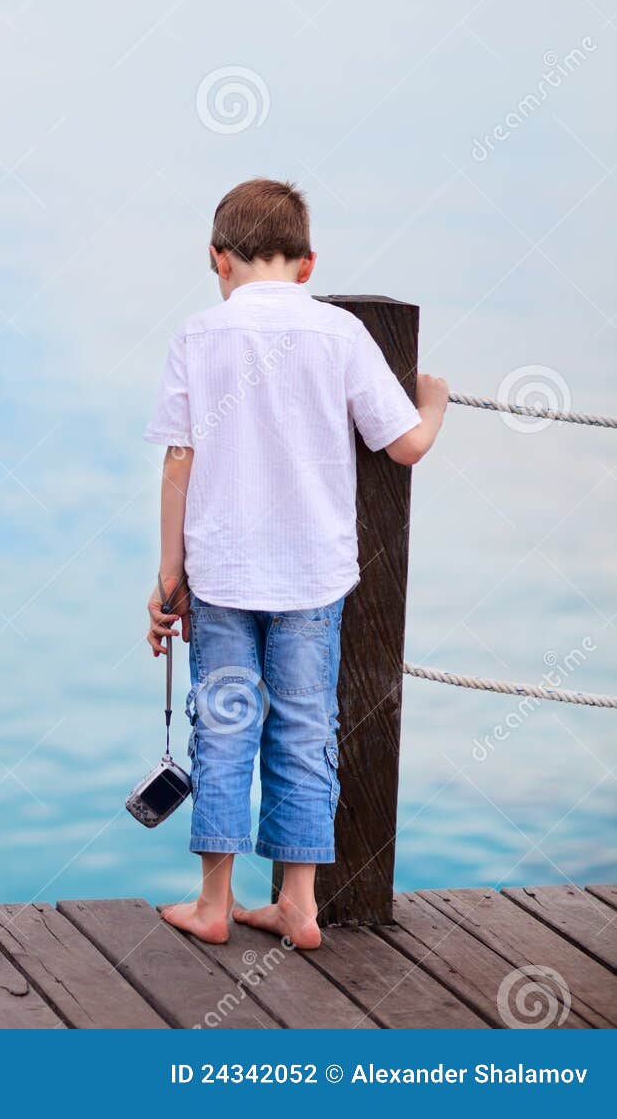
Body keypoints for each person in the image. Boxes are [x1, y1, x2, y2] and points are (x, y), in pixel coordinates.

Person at [144, 177, 448, 947]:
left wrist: (167, 577)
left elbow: (178, 462)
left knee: (223, 727)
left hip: (219, 575)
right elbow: (404, 444)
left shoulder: (196, 335)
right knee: (306, 730)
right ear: (307, 265)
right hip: (312, 577)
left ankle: (213, 905)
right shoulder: (341, 335)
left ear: (217, 258)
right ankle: (300, 908)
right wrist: (434, 400)